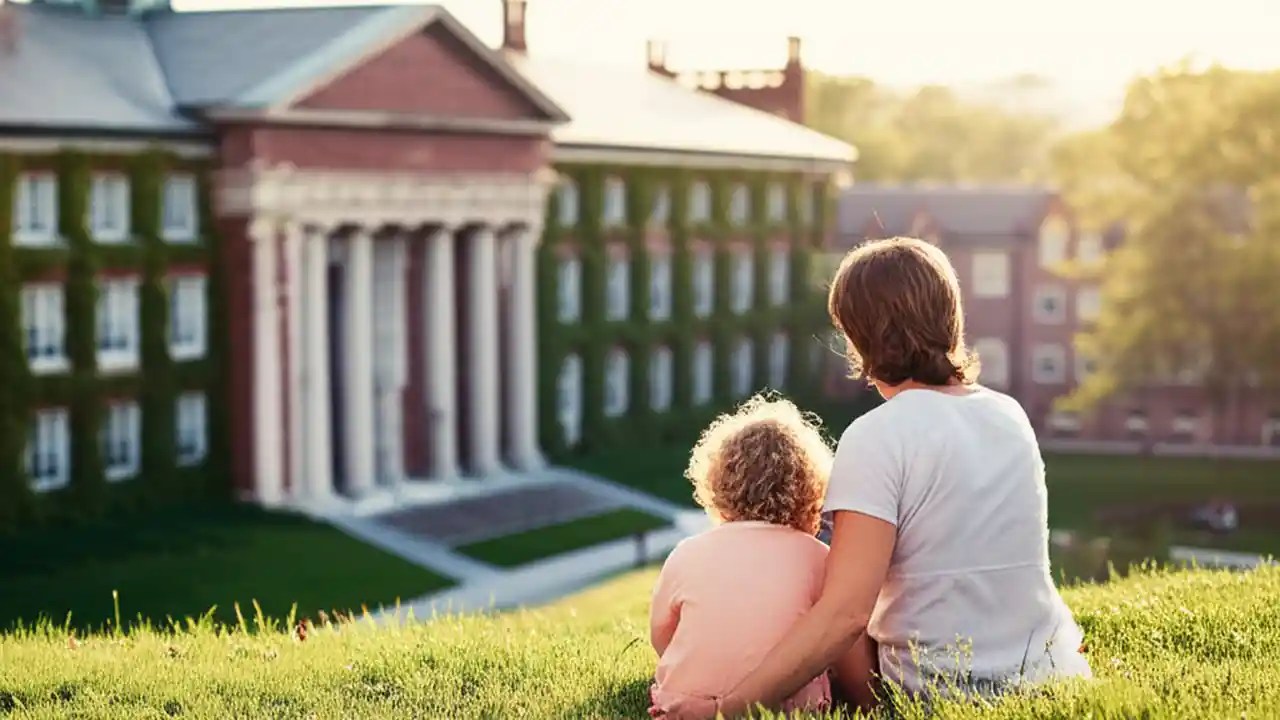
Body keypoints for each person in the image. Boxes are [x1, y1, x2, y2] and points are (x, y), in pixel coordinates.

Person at [657, 237, 1092, 719]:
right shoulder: (1009, 415)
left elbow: (844, 616)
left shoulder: (877, 435)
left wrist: (728, 708)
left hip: (938, 694)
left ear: (863, 337)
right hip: (1050, 675)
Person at [648, 396, 855, 715]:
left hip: (682, 702)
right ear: (812, 489)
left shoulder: (686, 552)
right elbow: (835, 640)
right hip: (788, 706)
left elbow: (662, 636)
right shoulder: (821, 558)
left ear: (717, 482)